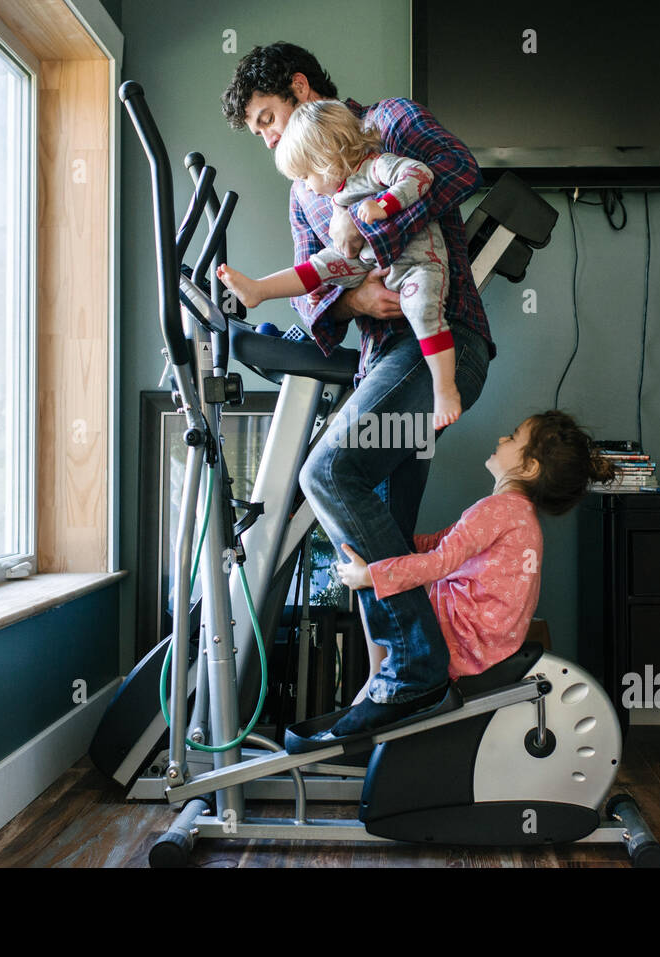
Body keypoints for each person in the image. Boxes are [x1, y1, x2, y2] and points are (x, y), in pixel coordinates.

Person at [222, 43, 494, 736]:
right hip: (383, 359)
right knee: (377, 523)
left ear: (301, 86)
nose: (269, 136)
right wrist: (356, 298)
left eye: (268, 117)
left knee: (330, 470)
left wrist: (371, 230)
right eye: (259, 133)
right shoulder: (301, 189)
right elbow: (318, 300)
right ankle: (395, 699)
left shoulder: (391, 123)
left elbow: (460, 168)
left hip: (442, 343)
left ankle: (415, 669)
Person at [335, 411, 617, 699]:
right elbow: (440, 541)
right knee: (399, 572)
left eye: (514, 437)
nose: (502, 438)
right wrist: (391, 544)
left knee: (384, 582)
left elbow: (440, 562)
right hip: (489, 645)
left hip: (462, 641)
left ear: (530, 467)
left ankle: (374, 679)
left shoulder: (497, 509)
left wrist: (370, 575)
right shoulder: (520, 515)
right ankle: (374, 678)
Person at [216, 99, 461, 429]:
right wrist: (329, 292)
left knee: (423, 310)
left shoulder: (375, 166)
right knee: (319, 265)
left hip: (420, 262)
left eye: (306, 176)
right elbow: (332, 258)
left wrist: (383, 207)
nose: (306, 186)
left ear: (327, 161)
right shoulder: (335, 193)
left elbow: (420, 173)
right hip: (367, 263)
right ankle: (258, 290)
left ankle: (445, 389)